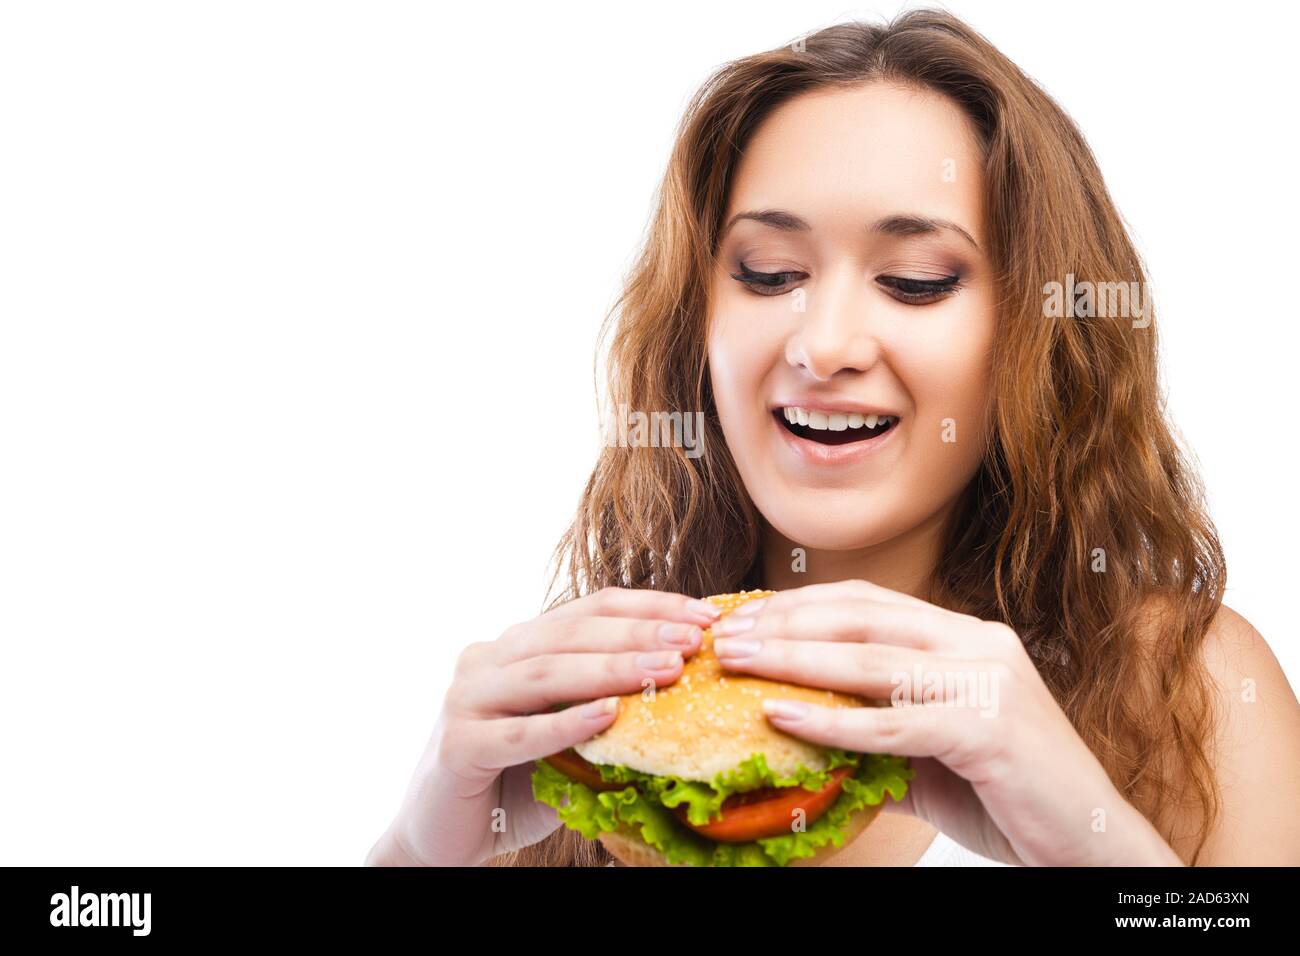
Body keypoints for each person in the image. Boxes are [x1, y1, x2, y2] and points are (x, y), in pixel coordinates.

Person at [366, 9, 1300, 867]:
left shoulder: (1189, 689)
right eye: (769, 274)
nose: (822, 347)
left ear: (1035, 332)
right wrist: (415, 848)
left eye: (917, 281)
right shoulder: (605, 705)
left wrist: (1088, 839)